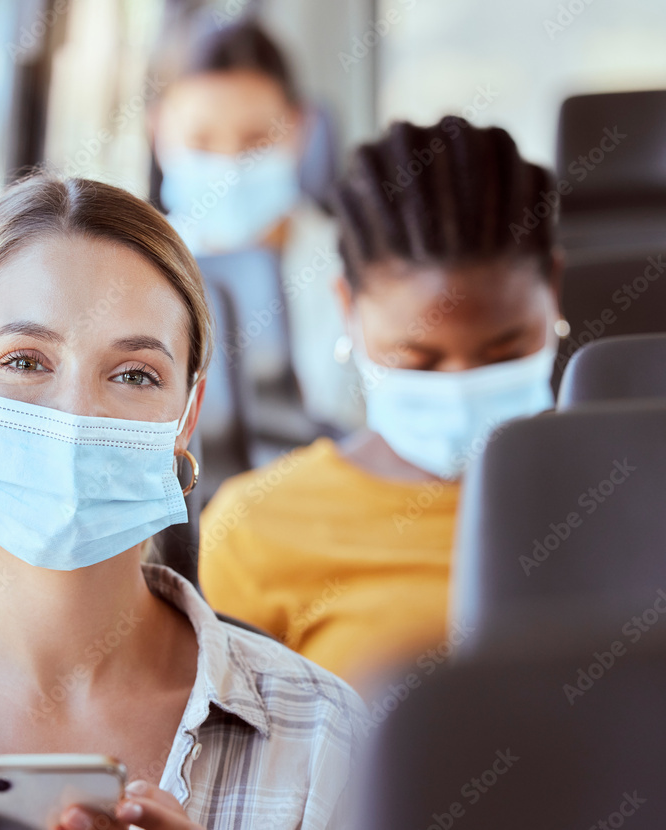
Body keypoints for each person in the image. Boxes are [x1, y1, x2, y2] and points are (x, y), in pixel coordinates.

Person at [0, 174, 365, 829]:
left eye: (135, 375)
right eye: (24, 361)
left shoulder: (326, 737)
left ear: (186, 417)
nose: (76, 413)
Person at [199, 116, 565, 695]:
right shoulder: (256, 528)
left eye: (505, 350)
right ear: (346, 306)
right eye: (416, 359)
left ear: (555, 291)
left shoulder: (631, 488)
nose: (460, 385)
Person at [148, 17, 362, 432]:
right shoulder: (130, 272)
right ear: (158, 132)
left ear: (300, 129)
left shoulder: (360, 267)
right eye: (201, 142)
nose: (228, 168)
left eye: (256, 141)